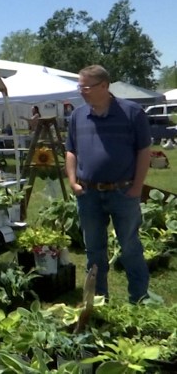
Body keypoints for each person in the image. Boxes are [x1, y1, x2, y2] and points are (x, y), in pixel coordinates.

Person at [65, 64, 151, 304]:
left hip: (123, 191)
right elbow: (70, 151)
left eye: (86, 87)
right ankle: (98, 301)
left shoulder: (132, 113)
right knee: (94, 251)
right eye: (80, 86)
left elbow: (144, 151)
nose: (82, 91)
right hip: (88, 193)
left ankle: (139, 300)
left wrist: (137, 187)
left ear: (104, 86)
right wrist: (73, 182)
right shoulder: (78, 116)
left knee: (130, 247)